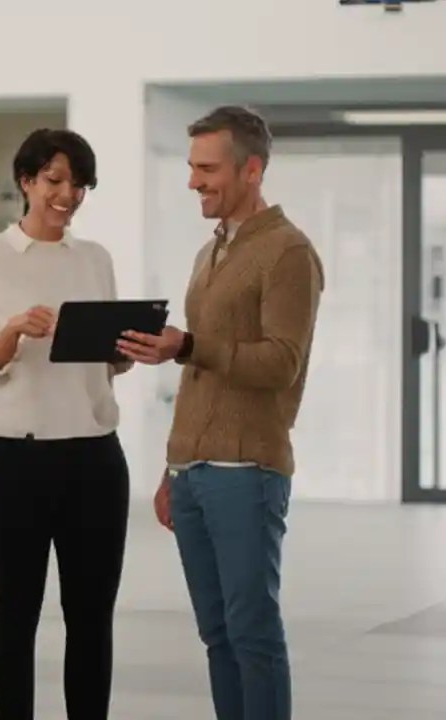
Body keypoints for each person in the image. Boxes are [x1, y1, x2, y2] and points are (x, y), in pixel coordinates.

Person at [116, 105, 324, 720]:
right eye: (190, 167)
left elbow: (281, 363)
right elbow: (201, 374)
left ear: (252, 169)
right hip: (194, 473)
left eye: (206, 169)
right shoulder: (212, 253)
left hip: (247, 470)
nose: (193, 182)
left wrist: (187, 345)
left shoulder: (288, 253)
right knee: (217, 637)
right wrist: (171, 467)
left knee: (253, 634)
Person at [0, 127, 133, 720]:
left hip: (94, 460)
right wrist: (11, 332)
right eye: (55, 180)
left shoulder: (95, 259)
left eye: (79, 184)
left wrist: (119, 350)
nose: (68, 194)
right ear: (26, 181)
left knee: (92, 620)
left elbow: (107, 366)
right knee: (15, 616)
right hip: (15, 463)